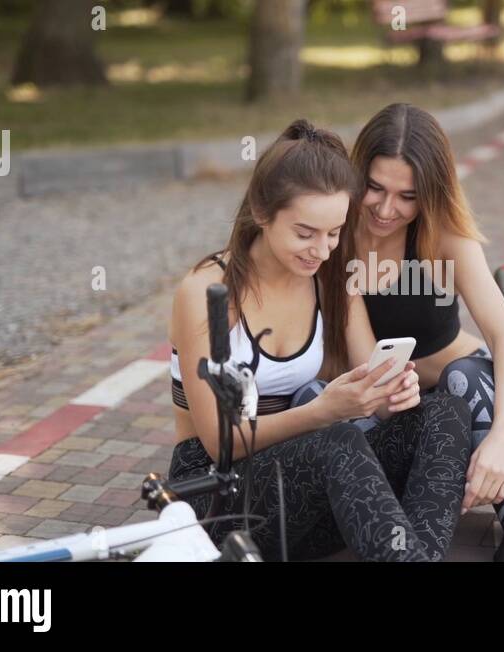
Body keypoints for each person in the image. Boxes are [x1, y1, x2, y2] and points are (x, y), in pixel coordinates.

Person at [167, 119, 472, 561]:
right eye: (305, 233)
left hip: (304, 489)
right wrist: (324, 411)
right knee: (338, 439)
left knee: (444, 412)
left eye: (334, 234)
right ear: (260, 210)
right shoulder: (208, 292)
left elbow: (374, 386)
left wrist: (392, 392)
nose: (321, 250)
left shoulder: (330, 277)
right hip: (216, 493)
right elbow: (220, 441)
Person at [349, 103, 504, 562]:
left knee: (461, 377)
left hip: (494, 398)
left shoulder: (442, 237)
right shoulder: (338, 235)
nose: (386, 209)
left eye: (407, 196)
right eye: (375, 188)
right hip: (407, 412)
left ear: (430, 192)